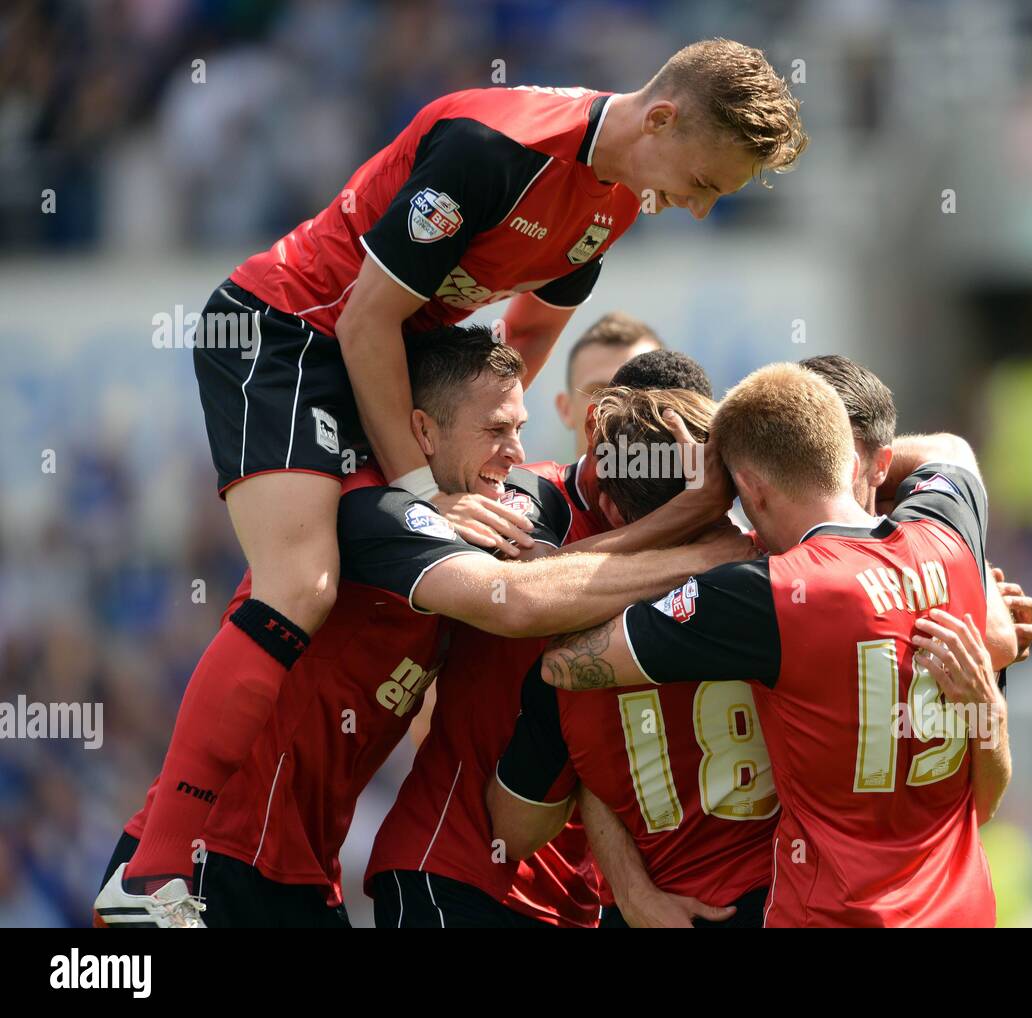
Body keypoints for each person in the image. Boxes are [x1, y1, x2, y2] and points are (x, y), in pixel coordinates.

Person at [124, 39, 806, 899]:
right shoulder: (495, 150)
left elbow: (515, 351)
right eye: (705, 183)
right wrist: (426, 493)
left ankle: (258, 856)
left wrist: (496, 474)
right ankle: (155, 871)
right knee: (301, 584)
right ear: (662, 118)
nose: (699, 210)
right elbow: (366, 320)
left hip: (395, 366)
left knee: (381, 600)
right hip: (289, 333)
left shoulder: (614, 207)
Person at [94, 327, 749, 927]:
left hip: (303, 869)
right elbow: (514, 600)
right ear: (424, 432)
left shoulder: (478, 518)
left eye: (518, 428)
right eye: (496, 429)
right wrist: (704, 548)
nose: (515, 453)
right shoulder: (379, 511)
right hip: (213, 856)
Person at [494, 356, 1032, 927]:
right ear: (857, 459)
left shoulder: (766, 596)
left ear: (745, 485)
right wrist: (989, 694)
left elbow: (563, 668)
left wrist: (628, 887)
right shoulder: (946, 541)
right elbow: (950, 451)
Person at [366, 378, 723, 928]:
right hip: (457, 869)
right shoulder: (529, 497)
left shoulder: (728, 556)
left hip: (575, 896)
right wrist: (693, 537)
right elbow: (526, 591)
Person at [554, 312, 663, 458]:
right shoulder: (528, 480)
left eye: (637, 390)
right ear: (566, 409)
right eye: (599, 392)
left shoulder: (698, 478)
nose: (617, 406)